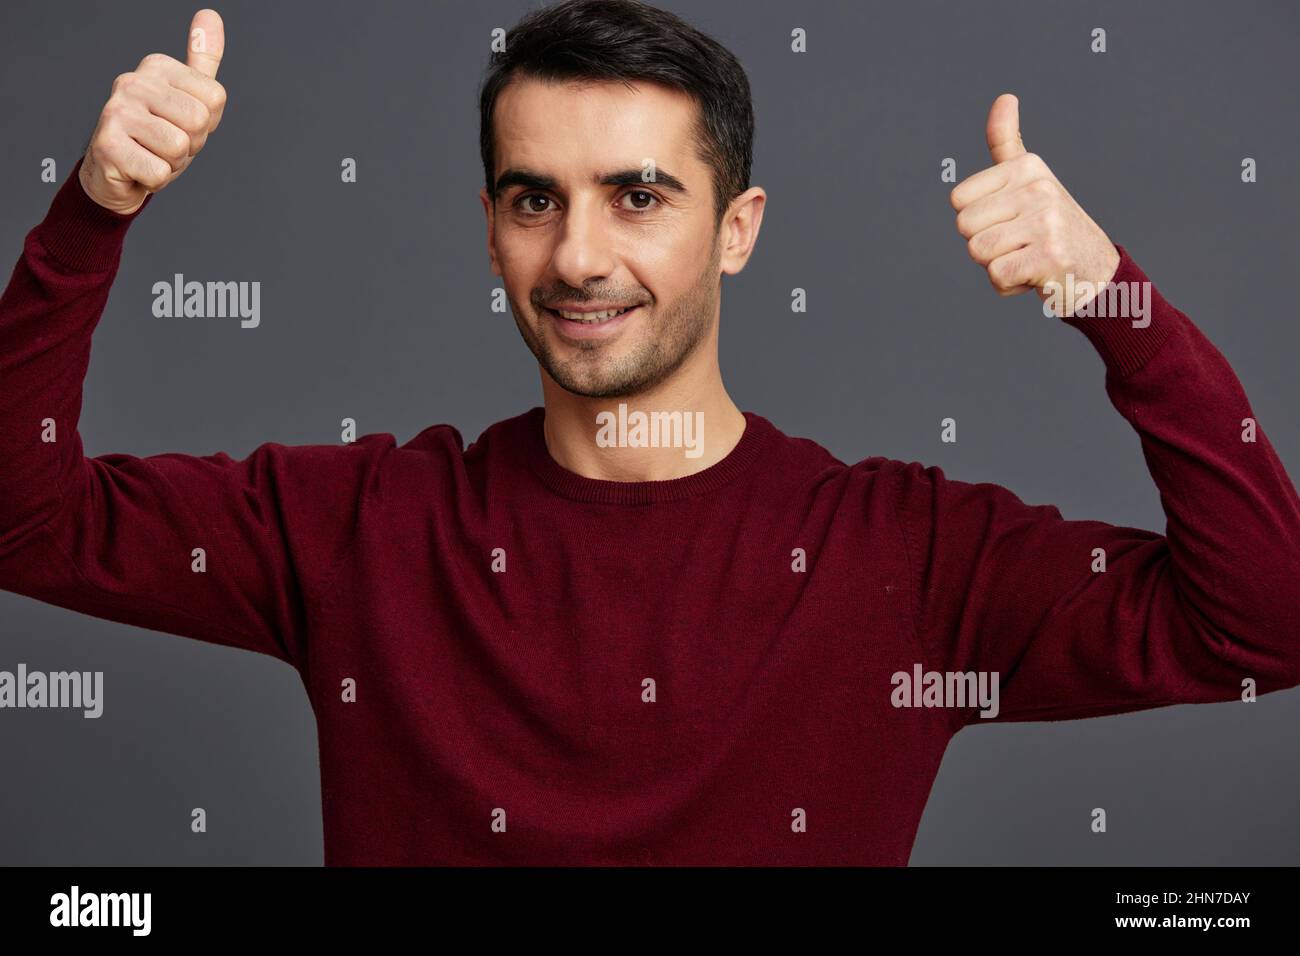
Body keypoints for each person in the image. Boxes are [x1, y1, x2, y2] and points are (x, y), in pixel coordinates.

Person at [1, 1, 1297, 866]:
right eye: (533, 200)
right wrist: (92, 214)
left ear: (738, 230)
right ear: (490, 224)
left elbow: (1266, 625)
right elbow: (25, 520)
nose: (578, 256)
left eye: (638, 198)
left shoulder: (900, 559)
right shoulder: (362, 525)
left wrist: (1111, 296)